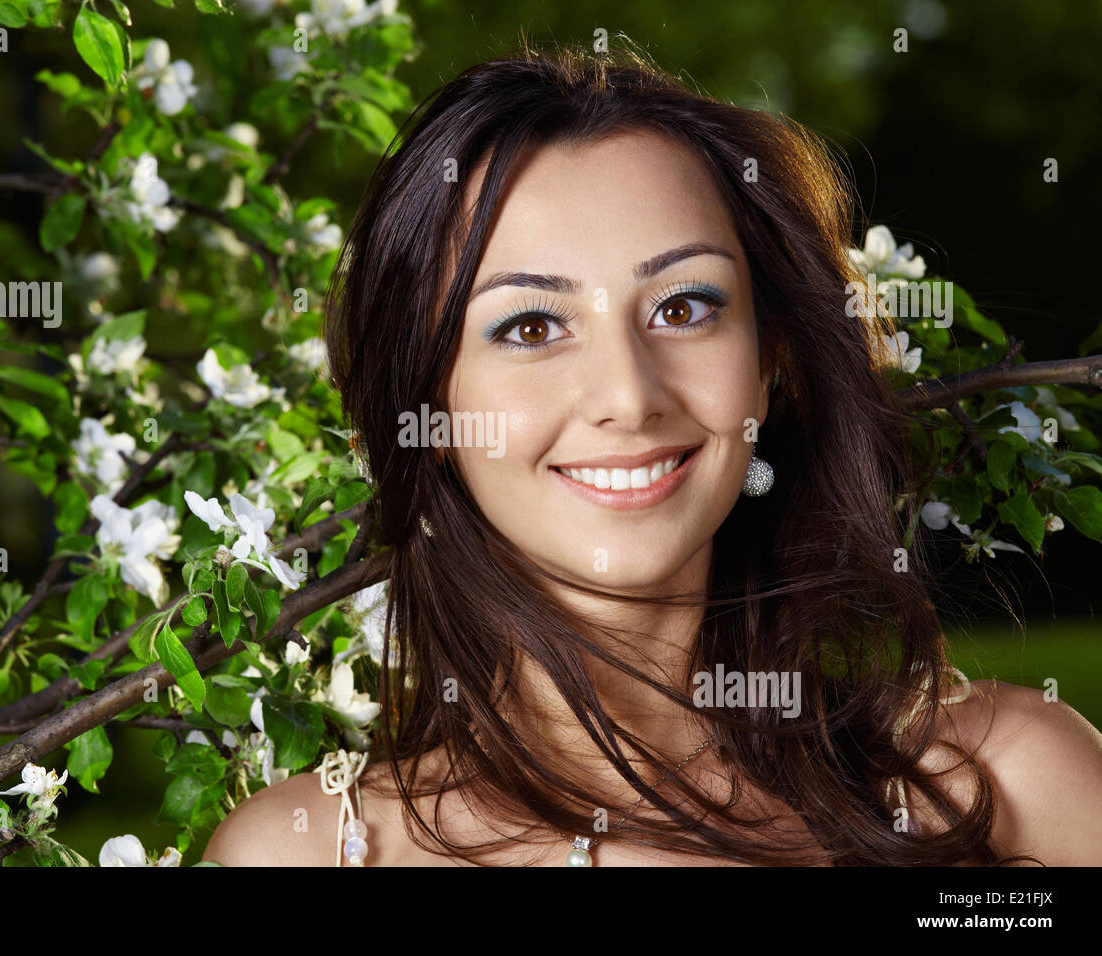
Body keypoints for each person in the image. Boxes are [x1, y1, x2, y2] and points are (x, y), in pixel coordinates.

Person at [203, 41, 1102, 867]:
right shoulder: (304, 853)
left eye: (684, 307)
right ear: (424, 407)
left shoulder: (1011, 790)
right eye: (528, 325)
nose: (631, 397)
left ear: (769, 364)